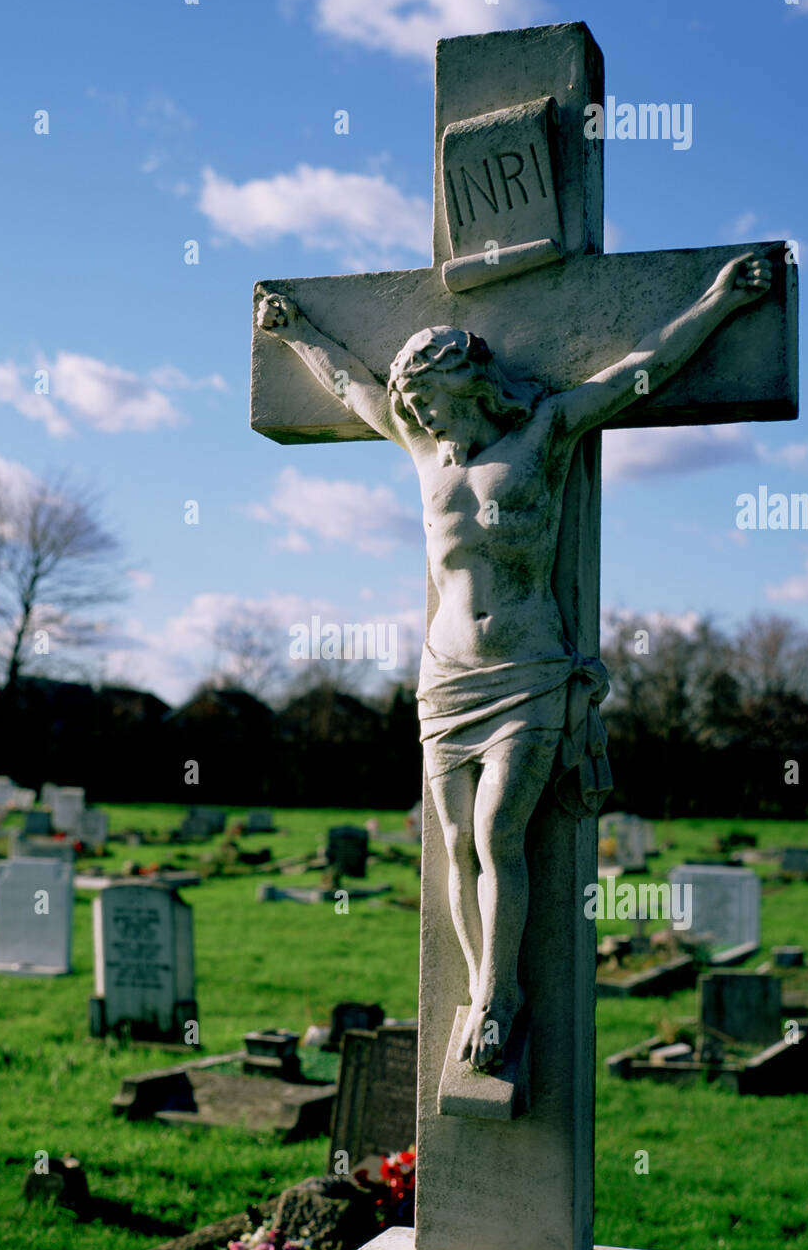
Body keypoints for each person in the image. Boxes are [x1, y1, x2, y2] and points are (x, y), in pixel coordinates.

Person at [258, 251, 771, 1069]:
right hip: (446, 680)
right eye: (412, 405)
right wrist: (298, 334)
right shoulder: (425, 455)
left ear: (463, 384)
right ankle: (480, 983)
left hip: (528, 672)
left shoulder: (545, 431)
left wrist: (718, 302)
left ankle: (500, 994)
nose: (421, 417)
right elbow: (350, 386)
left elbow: (640, 371)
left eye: (429, 399)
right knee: (455, 840)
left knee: (501, 833)